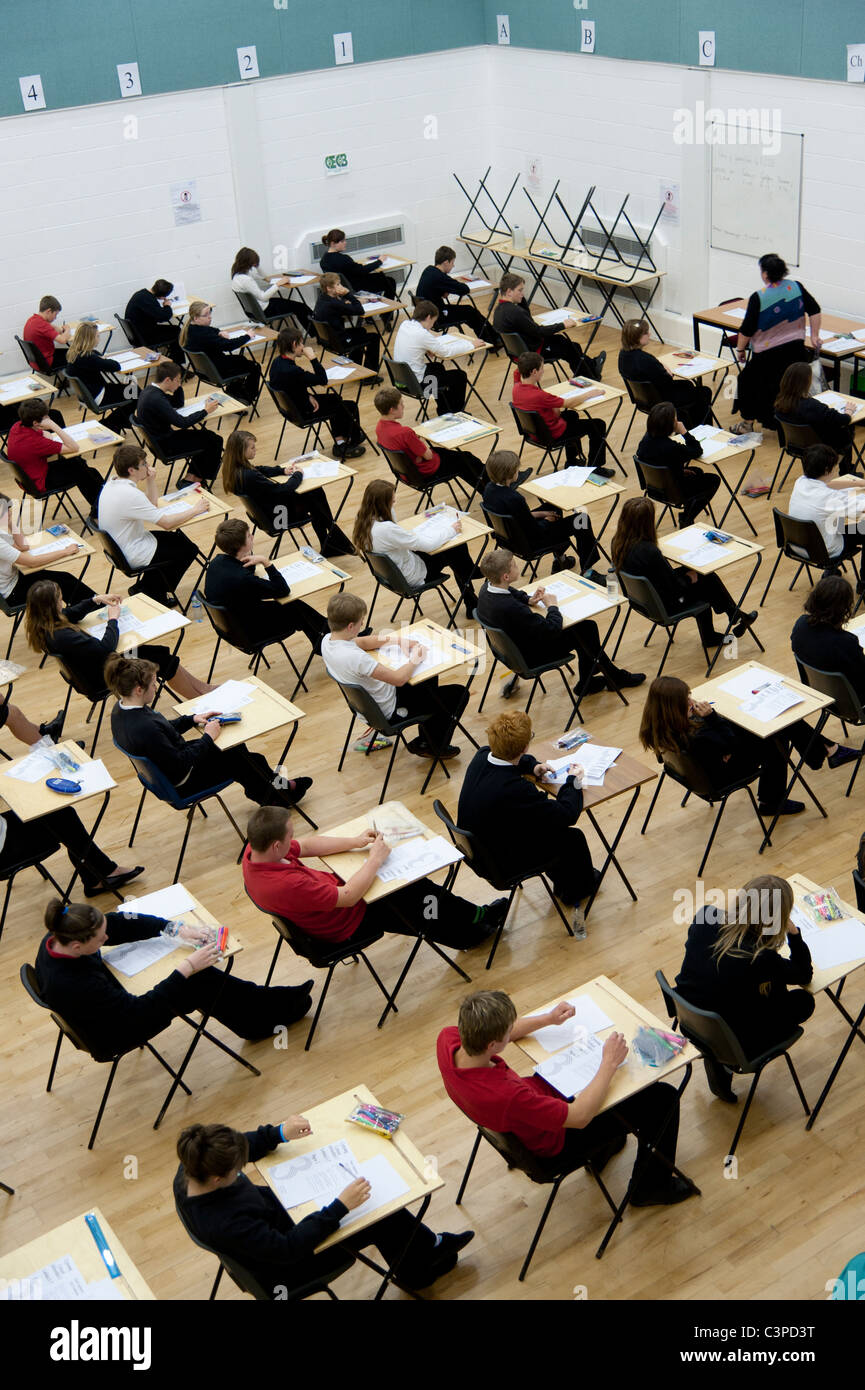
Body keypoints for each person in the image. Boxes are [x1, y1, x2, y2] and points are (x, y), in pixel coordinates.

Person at [438, 990, 694, 1208]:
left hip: (538, 1102)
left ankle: (604, 1150)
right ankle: (650, 1188)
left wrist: (548, 1019)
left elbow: (501, 1033)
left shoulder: (448, 1040)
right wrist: (609, 1062)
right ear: (492, 1045)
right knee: (662, 1097)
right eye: (507, 1032)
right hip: (556, 1144)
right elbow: (580, 1117)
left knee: (609, 1087)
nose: (511, 1031)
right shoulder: (509, 1097)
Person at [174, 1119, 473, 1295]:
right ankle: (422, 1268)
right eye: (238, 1169)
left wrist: (277, 1133)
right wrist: (339, 1207)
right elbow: (288, 1249)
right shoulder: (225, 1222)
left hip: (281, 1217)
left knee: (369, 1204)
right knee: (382, 1213)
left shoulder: (193, 1164)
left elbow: (240, 1146)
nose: (242, 1167)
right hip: (293, 1263)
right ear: (216, 1179)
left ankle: (425, 1255)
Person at [35, 899, 313, 1060]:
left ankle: (262, 1011)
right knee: (198, 980)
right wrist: (185, 968)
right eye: (100, 940)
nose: (106, 938)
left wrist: (173, 928)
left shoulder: (61, 935)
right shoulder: (74, 984)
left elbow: (121, 923)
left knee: (200, 980)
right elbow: (137, 1013)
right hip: (116, 1030)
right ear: (77, 948)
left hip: (112, 1005)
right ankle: (267, 1013)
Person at [243, 804, 508, 953]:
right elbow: (347, 898)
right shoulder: (287, 885)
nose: (293, 838)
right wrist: (375, 859)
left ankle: (472, 923)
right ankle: (472, 927)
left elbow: (309, 846)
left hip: (330, 905)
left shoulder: (257, 849)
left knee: (415, 892)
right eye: (289, 834)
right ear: (276, 845)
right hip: (346, 922)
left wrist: (355, 842)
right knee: (415, 894)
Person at [458, 711, 600, 938]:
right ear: (524, 746)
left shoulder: (481, 757)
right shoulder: (514, 789)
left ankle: (564, 883)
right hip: (502, 864)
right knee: (571, 837)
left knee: (544, 828)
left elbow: (510, 762)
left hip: (480, 851)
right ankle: (578, 889)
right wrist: (574, 782)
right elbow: (565, 814)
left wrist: (533, 766)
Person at [107, 654, 313, 811]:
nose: (156, 687)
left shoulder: (121, 710)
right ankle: (279, 794)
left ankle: (272, 793)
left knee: (244, 755)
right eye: (153, 684)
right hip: (183, 781)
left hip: (165, 773)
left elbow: (162, 730)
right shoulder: (145, 727)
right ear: (139, 690)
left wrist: (191, 719)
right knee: (247, 759)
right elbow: (181, 762)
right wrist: (208, 736)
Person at [675, 875, 814, 1101]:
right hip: (734, 1041)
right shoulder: (761, 958)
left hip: (693, 1019)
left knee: (751, 991)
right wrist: (794, 935)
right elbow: (804, 974)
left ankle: (720, 1063)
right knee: (803, 1001)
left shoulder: (704, 918)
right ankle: (726, 1064)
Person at [638, 675, 850, 820]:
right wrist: (712, 719)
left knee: (770, 723)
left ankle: (823, 750)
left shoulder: (657, 727)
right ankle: (772, 800)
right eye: (686, 700)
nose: (692, 701)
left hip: (699, 773)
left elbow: (723, 745)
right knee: (775, 735)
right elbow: (729, 744)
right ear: (674, 707)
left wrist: (717, 732)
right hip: (719, 778)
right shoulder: (697, 735)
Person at [476, 548, 644, 698]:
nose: (516, 566)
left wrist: (529, 599)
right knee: (586, 630)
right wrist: (552, 607)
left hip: (509, 650)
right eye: (514, 565)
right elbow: (551, 629)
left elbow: (512, 592)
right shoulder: (511, 608)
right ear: (506, 576)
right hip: (530, 656)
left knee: (586, 630)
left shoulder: (487, 589)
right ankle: (604, 678)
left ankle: (594, 679)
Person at [321, 591, 468, 760]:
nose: (363, 624)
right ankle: (432, 746)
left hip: (366, 707)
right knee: (458, 694)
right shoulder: (356, 658)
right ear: (350, 626)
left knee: (429, 677)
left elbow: (363, 641)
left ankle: (427, 736)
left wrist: (399, 641)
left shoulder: (328, 641)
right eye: (361, 621)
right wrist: (415, 657)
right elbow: (399, 679)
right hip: (388, 712)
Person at [25, 579, 213, 701]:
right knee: (160, 659)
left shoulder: (44, 624)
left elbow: (71, 613)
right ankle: (199, 698)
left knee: (157, 653)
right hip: (102, 675)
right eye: (59, 599)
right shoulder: (62, 635)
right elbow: (106, 648)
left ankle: (202, 689)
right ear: (51, 605)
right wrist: (113, 619)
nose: (63, 603)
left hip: (90, 669)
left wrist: (96, 600)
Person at [611, 496, 756, 649]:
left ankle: (733, 616)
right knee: (706, 578)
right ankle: (730, 618)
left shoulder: (617, 542)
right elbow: (675, 588)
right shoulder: (650, 551)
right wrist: (689, 579)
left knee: (701, 577)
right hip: (667, 605)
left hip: (642, 600)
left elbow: (663, 578)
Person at [97, 442, 205, 606]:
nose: (148, 466)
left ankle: (145, 587)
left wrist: (150, 480)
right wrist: (195, 510)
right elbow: (167, 523)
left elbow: (152, 505)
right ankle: (153, 593)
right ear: (131, 470)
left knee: (179, 542)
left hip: (122, 544)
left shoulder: (112, 482)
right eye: (144, 464)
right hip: (132, 550)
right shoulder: (130, 494)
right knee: (188, 550)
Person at [352, 478, 478, 618]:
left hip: (394, 573)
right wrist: (451, 530)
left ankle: (472, 598)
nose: (394, 505)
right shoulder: (386, 530)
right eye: (392, 502)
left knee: (451, 552)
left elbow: (396, 527)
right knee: (455, 548)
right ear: (382, 505)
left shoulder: (362, 518)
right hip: (413, 575)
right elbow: (428, 545)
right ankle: (475, 578)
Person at [204, 518, 328, 657]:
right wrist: (266, 562)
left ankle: (323, 638)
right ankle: (330, 636)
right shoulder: (242, 579)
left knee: (296, 608)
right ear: (241, 545)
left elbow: (245, 574)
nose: (252, 536)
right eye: (248, 535)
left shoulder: (217, 562)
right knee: (295, 607)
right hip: (250, 632)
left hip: (231, 626)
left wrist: (249, 558)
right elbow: (282, 590)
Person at [221, 428, 354, 558]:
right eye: (252, 448)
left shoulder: (234, 469)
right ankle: (332, 538)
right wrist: (297, 475)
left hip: (263, 514)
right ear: (241, 451)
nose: (256, 450)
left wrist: (282, 470)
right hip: (279, 518)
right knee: (315, 495)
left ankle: (331, 540)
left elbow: (260, 469)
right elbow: (283, 490)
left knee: (313, 496)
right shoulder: (249, 476)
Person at [733, 253, 822, 434]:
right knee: (786, 385)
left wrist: (740, 349)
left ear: (765, 274)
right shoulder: (796, 287)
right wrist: (814, 336)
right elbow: (815, 310)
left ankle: (747, 424)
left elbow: (747, 329)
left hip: (767, 356)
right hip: (795, 352)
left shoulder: (759, 297)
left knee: (746, 382)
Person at [482, 448, 601, 575]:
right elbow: (535, 532)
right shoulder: (515, 498)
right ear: (510, 473)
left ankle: (560, 560)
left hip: (509, 540)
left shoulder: (489, 490)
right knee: (582, 519)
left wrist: (543, 513)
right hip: (531, 543)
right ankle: (587, 570)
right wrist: (546, 521)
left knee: (552, 507)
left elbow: (517, 517)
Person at [268, 328, 365, 460]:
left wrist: (307, 395)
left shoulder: (277, 362)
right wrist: (313, 358)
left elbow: (290, 386)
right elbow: (322, 379)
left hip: (291, 408)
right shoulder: (293, 371)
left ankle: (340, 441)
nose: (303, 347)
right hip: (304, 411)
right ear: (294, 345)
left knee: (336, 399)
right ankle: (350, 442)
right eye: (301, 344)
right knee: (349, 406)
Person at [512, 351, 611, 475]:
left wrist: (526, 362)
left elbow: (517, 371)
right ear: (534, 372)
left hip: (534, 432)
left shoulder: (516, 387)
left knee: (572, 415)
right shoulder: (540, 396)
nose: (543, 371)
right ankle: (595, 468)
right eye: (542, 368)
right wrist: (589, 394)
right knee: (598, 425)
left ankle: (572, 461)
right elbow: (567, 403)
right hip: (552, 434)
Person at [492, 272, 605, 381]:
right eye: (520, 290)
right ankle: (590, 376)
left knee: (565, 342)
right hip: (533, 352)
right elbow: (538, 331)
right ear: (509, 292)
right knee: (571, 348)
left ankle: (590, 368)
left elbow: (528, 320)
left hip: (516, 352)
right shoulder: (515, 312)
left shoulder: (498, 311)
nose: (522, 294)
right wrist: (563, 325)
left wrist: (521, 302)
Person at [7, 399, 104, 524]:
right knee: (82, 471)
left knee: (85, 468)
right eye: (46, 417)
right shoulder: (36, 443)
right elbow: (74, 447)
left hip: (28, 478)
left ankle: (102, 505)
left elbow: (47, 435)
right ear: (36, 423)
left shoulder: (17, 427)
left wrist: (46, 430)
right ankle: (99, 513)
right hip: (39, 483)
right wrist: (53, 425)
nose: (48, 418)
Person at [374, 386, 484, 494]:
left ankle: (487, 490)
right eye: (401, 404)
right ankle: (489, 491)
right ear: (392, 410)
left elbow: (407, 450)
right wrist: (419, 449)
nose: (403, 406)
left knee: (463, 459)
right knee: (468, 461)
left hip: (406, 473)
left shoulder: (379, 428)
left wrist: (418, 455)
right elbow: (428, 456)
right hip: (426, 472)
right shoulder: (405, 432)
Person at [134, 360, 223, 486]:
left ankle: (192, 476)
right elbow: (182, 423)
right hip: (166, 445)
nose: (180, 383)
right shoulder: (157, 399)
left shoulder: (150, 390)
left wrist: (178, 386)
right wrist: (205, 411)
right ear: (167, 380)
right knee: (214, 440)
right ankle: (193, 480)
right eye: (178, 380)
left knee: (207, 436)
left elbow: (177, 403)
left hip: (158, 441)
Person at [0, 491, 93, 609]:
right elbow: (32, 562)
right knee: (65, 584)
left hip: (15, 579)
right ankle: (95, 609)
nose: (10, 512)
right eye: (5, 511)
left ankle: (88, 609)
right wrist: (65, 551)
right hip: (12, 593)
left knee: (65, 579)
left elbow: (23, 546)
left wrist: (9, 522)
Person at [636, 401, 721, 527]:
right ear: (670, 425)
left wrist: (678, 471)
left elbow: (659, 461)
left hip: (655, 487)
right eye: (675, 419)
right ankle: (687, 517)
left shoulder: (645, 440)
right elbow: (697, 451)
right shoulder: (672, 448)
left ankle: (688, 512)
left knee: (697, 471)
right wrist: (684, 432)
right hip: (675, 491)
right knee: (713, 479)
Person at [617, 319, 711, 429]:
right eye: (646, 332)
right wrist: (665, 367)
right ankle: (701, 429)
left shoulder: (623, 356)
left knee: (688, 385)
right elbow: (668, 379)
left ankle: (687, 424)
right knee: (703, 392)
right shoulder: (646, 360)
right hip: (661, 399)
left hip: (642, 399)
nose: (649, 334)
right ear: (638, 337)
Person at [392, 300, 480, 414]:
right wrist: (471, 344)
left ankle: (445, 409)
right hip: (417, 384)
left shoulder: (405, 325)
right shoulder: (422, 334)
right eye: (433, 321)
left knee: (438, 367)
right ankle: (457, 412)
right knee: (460, 375)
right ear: (428, 317)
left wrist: (425, 348)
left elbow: (412, 345)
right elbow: (446, 352)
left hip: (403, 380)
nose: (432, 325)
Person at [788, 443, 865, 573]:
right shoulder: (830, 498)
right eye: (835, 468)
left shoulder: (801, 481)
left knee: (834, 519)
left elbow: (829, 485)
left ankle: (831, 572)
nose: (836, 472)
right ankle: (864, 583)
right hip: (825, 551)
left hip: (798, 545)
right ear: (826, 470)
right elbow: (861, 508)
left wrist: (858, 483)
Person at [791, 574, 865, 704]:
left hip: (819, 693)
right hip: (852, 702)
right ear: (844, 609)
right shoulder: (846, 642)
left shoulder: (800, 625)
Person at [775, 360, 856, 468]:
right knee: (848, 427)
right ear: (805, 383)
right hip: (821, 448)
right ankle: (847, 470)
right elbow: (843, 419)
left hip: (794, 446)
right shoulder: (811, 406)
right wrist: (848, 412)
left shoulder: (780, 403)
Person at [179, 301, 261, 406]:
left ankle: (234, 392)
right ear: (196, 318)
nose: (210, 317)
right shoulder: (205, 334)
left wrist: (219, 332)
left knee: (241, 360)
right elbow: (228, 345)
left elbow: (211, 330)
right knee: (254, 366)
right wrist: (247, 336)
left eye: (210, 313)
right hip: (217, 371)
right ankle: (247, 398)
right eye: (206, 315)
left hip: (205, 370)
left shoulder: (189, 329)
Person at [64, 322, 137, 432]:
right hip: (98, 396)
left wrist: (101, 360)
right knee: (136, 393)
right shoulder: (88, 357)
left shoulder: (74, 353)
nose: (99, 339)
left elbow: (99, 360)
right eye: (97, 336)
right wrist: (103, 360)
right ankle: (110, 423)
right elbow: (115, 366)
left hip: (87, 395)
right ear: (90, 339)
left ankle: (114, 424)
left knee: (128, 390)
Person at [416, 245, 498, 343]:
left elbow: (441, 291)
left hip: (425, 314)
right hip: (437, 316)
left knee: (469, 311)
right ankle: (492, 340)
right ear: (446, 262)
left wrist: (447, 288)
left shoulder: (428, 270)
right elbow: (464, 289)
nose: (453, 266)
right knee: (470, 312)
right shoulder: (440, 277)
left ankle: (493, 336)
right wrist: (451, 284)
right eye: (452, 263)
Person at [230, 247, 313, 330]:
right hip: (265, 311)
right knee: (301, 307)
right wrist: (278, 284)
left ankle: (317, 333)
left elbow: (265, 276)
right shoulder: (246, 280)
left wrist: (257, 266)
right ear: (248, 263)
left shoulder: (237, 276)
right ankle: (319, 334)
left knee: (291, 304)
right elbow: (263, 297)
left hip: (255, 311)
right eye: (253, 263)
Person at [312, 273, 380, 371]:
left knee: (361, 331)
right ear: (329, 288)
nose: (342, 287)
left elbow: (339, 307)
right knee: (374, 337)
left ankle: (355, 366)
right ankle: (370, 374)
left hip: (328, 340)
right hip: (340, 342)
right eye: (338, 285)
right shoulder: (334, 304)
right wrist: (348, 294)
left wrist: (344, 304)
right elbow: (360, 311)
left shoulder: (322, 298)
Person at [319, 229, 397, 300]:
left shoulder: (323, 261)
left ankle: (382, 312)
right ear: (333, 243)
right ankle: (386, 314)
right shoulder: (344, 259)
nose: (345, 243)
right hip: (356, 288)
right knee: (390, 281)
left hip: (342, 289)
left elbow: (353, 269)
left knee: (381, 276)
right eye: (342, 241)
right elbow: (362, 270)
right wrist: (379, 261)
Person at [123, 280, 183, 364]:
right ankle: (176, 364)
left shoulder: (141, 294)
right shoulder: (148, 300)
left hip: (137, 333)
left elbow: (156, 314)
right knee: (177, 331)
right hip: (144, 337)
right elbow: (164, 317)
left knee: (174, 330)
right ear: (162, 296)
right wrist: (167, 306)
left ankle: (174, 363)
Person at [22, 295, 71, 370]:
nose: (55, 318)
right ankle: (73, 379)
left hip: (36, 361)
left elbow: (52, 328)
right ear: (48, 311)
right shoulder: (42, 325)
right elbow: (63, 340)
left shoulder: (33, 320)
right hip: (47, 362)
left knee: (73, 352)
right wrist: (67, 329)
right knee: (77, 356)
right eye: (55, 314)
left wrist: (58, 329)